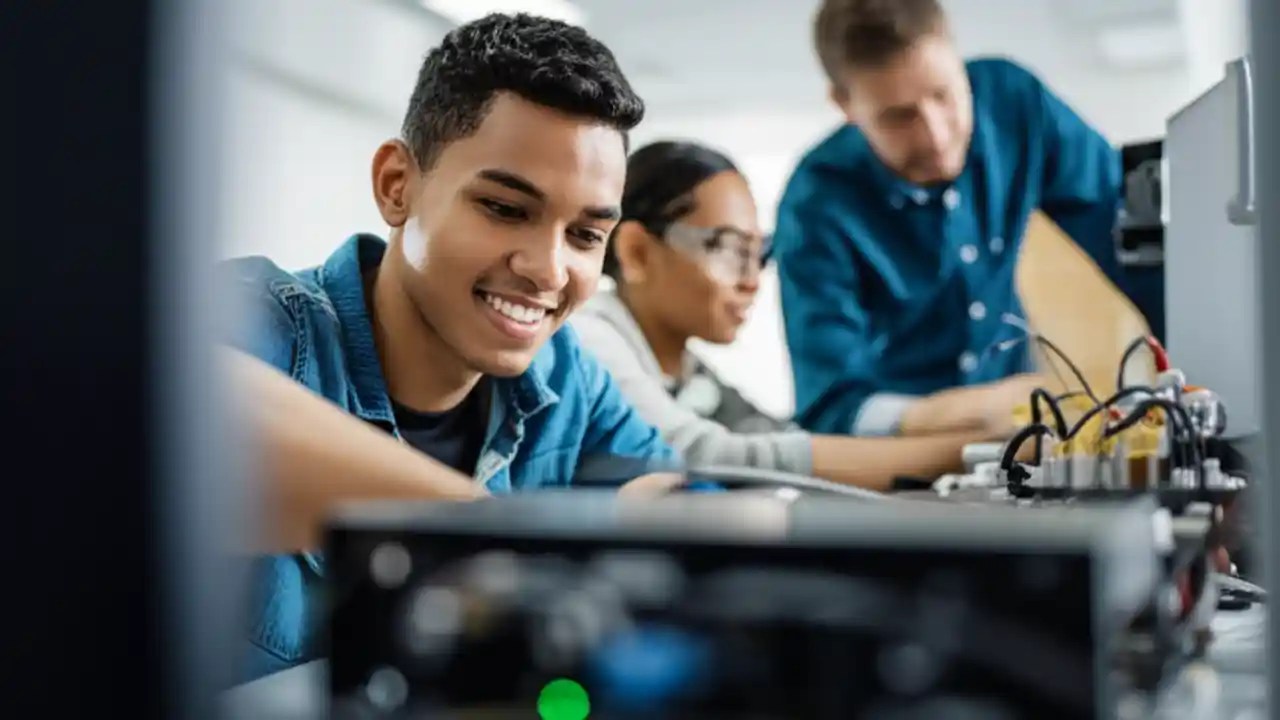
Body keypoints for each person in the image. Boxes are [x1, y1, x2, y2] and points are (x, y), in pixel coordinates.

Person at [220, 13, 685, 681]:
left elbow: (677, 500)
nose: (549, 270)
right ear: (396, 186)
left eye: (585, 236)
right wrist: (496, 541)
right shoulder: (262, 319)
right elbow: (180, 412)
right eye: (504, 208)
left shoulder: (567, 377)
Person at [774, 0, 1162, 437]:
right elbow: (831, 406)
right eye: (899, 117)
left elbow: (1136, 246)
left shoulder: (1015, 103)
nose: (936, 137)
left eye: (943, 94)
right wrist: (976, 412)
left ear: (957, 57)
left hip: (1018, 432)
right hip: (900, 457)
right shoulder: (814, 205)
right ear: (844, 104)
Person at [571, 140, 988, 490]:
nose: (752, 280)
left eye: (759, 254)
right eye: (728, 248)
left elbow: (779, 437)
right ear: (637, 252)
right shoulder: (590, 338)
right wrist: (980, 450)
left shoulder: (689, 375)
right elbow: (706, 456)